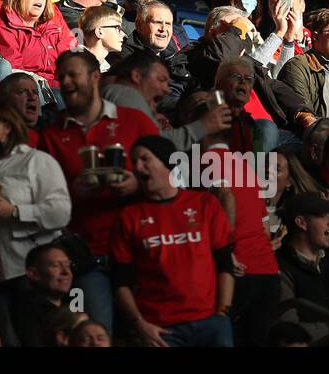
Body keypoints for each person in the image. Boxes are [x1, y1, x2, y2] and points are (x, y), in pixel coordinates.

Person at [38, 50, 158, 331]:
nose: (65, 82)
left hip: (140, 250)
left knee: (152, 333)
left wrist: (136, 184)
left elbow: (169, 176)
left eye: (72, 75)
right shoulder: (51, 135)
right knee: (95, 334)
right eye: (61, 77)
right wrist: (73, 190)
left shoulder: (135, 121)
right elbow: (44, 197)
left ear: (95, 77)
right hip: (87, 255)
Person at [112, 135, 236, 347]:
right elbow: (120, 280)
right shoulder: (129, 216)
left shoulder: (205, 204)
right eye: (135, 162)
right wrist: (139, 323)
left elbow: (225, 262)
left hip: (210, 322)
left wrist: (222, 313)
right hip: (161, 329)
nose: (138, 167)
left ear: (165, 161)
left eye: (145, 159)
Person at [0, 97, 70, 281]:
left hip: (33, 274)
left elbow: (61, 212)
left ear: (7, 127)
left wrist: (15, 212)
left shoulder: (35, 161)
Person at [275, 192, 329, 343]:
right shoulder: (281, 268)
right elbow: (290, 331)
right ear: (301, 222)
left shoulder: (328, 259)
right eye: (323, 216)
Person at [0, 0, 77, 87]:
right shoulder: (4, 26)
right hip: (30, 89)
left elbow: (70, 59)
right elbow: (15, 71)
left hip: (59, 85)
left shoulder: (53, 26)